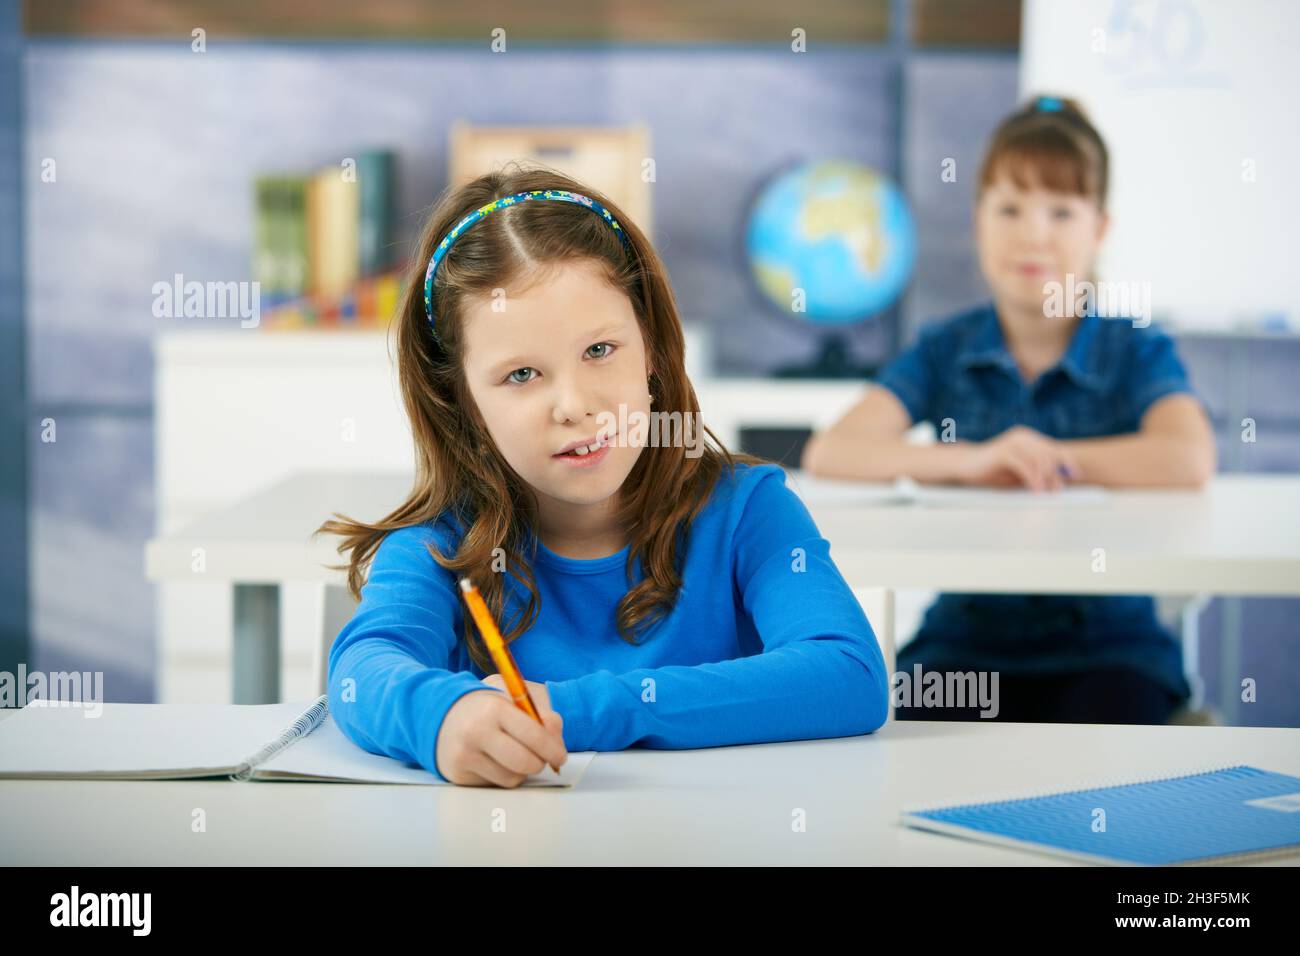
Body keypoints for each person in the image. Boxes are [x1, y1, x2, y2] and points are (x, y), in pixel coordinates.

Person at [319, 166, 889, 787]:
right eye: (521, 375)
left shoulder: (748, 510)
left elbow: (847, 673)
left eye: (599, 351)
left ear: (650, 347)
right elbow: (362, 672)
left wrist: (574, 710)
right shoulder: (439, 545)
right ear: (462, 403)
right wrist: (443, 717)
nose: (575, 405)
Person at [802, 96, 1216, 725]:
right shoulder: (947, 347)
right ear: (978, 221)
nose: (1033, 234)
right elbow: (833, 452)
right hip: (966, 642)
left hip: (1108, 648)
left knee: (1105, 764)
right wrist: (973, 461)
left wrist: (1056, 457)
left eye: (1061, 210)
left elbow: (1188, 457)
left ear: (1099, 229)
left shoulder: (1134, 347)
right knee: (885, 749)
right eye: (1010, 208)